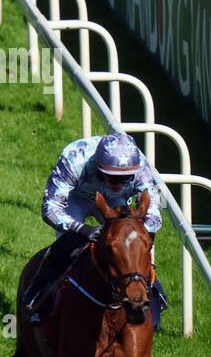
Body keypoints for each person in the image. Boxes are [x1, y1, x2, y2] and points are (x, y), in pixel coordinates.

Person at [21, 132, 166, 323]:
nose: (119, 183)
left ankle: (155, 295)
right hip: (76, 197)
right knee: (69, 241)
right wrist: (82, 229)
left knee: (132, 247)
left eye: (125, 179)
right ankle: (38, 292)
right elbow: (50, 208)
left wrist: (135, 233)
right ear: (98, 168)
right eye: (112, 178)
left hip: (113, 202)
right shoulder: (74, 158)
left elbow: (154, 211)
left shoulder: (140, 166)